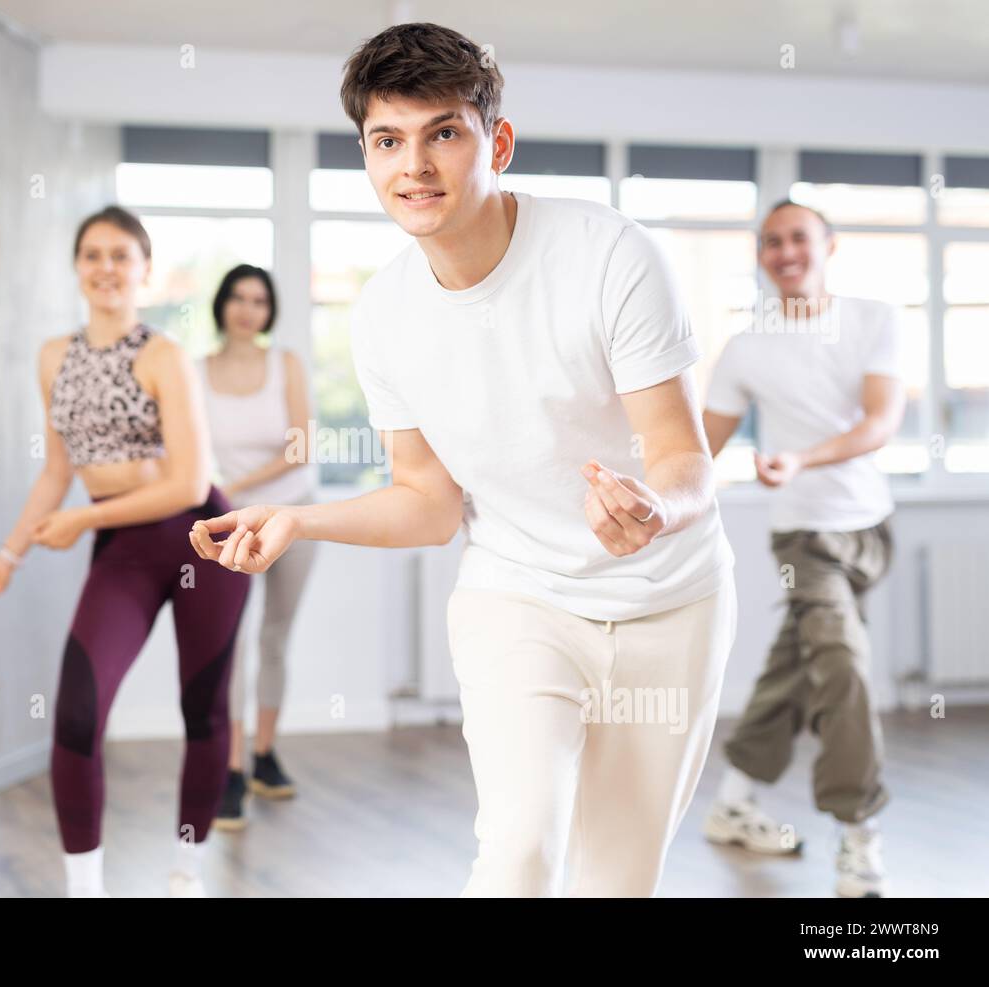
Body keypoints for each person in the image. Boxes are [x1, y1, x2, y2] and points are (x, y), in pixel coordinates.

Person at [191, 22, 736, 897]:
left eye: (444, 131)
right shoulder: (382, 316)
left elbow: (684, 455)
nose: (415, 165)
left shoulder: (611, 256)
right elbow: (429, 503)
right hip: (516, 596)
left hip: (670, 603)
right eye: (387, 140)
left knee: (616, 880)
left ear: (498, 142)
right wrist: (299, 517)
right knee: (518, 851)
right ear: (366, 157)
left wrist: (654, 507)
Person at [0, 206, 249, 897]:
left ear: (145, 270)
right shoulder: (52, 357)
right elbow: (59, 471)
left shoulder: (164, 356)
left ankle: (187, 866)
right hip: (123, 547)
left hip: (203, 540)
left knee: (203, 710)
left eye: (122, 255)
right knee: (78, 712)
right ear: (76, 267)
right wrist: (11, 552)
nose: (106, 268)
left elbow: (187, 480)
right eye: (93, 254)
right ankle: (84, 886)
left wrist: (84, 520)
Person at [701, 199, 905, 898]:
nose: (784, 251)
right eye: (770, 242)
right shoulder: (746, 348)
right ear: (761, 256)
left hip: (872, 526)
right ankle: (859, 832)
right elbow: (698, 448)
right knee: (842, 660)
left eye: (798, 238)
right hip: (802, 537)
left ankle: (732, 799)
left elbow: (880, 422)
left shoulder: (874, 319)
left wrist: (802, 457)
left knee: (798, 663)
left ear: (829, 245)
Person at [197, 264, 317, 831]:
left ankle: (266, 753)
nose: (248, 309)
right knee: (231, 647)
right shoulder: (194, 373)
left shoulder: (284, 365)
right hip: (232, 525)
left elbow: (300, 447)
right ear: (222, 305)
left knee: (275, 636)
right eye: (238, 299)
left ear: (270, 311)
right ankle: (233, 768)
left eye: (259, 301)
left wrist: (232, 490)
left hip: (290, 515)